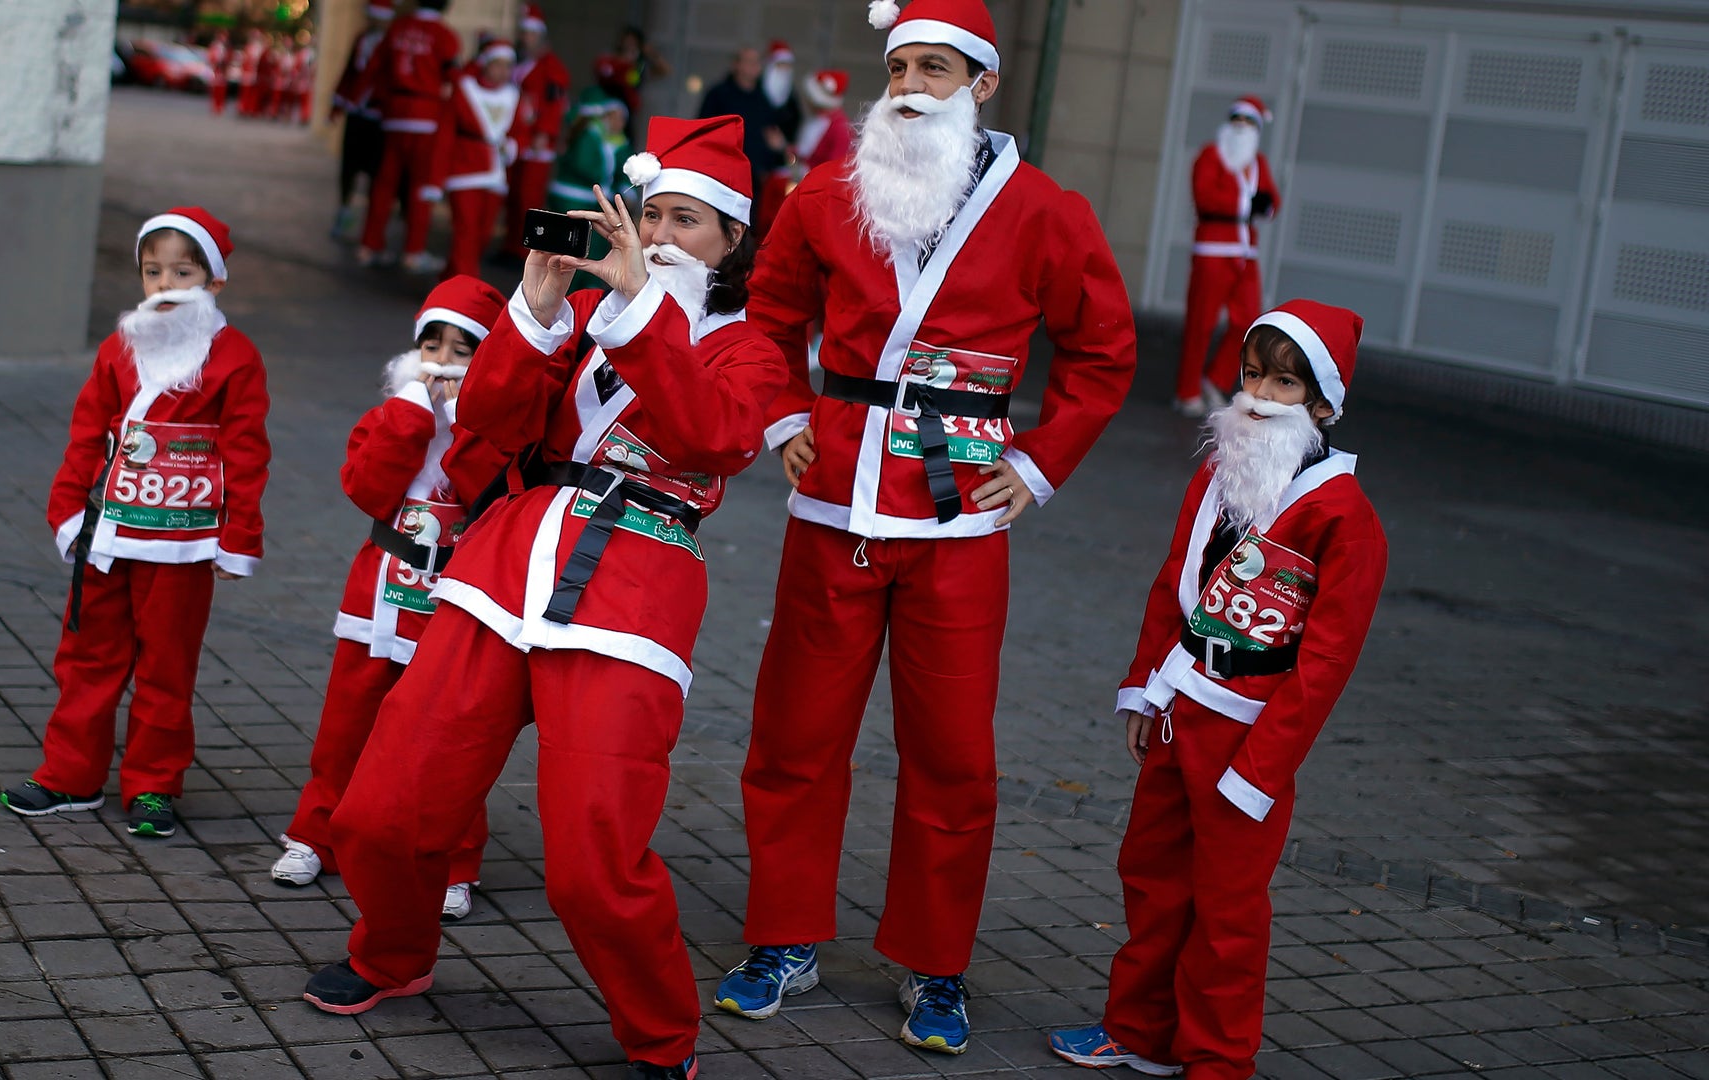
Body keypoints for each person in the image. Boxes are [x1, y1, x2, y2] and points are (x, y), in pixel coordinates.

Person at [300, 115, 787, 1080]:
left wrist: (641, 304)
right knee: (382, 813)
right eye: (649, 216)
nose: (658, 237)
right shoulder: (580, 331)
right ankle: (390, 957)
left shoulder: (750, 350)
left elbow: (711, 436)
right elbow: (484, 421)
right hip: (499, 570)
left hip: (634, 595)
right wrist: (536, 303)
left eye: (687, 222)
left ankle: (660, 1035)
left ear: (732, 240)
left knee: (591, 864)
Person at [716, 0, 1137, 1056]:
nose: (908, 86)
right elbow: (768, 318)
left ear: (982, 86)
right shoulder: (827, 191)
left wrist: (1038, 464)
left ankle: (936, 963)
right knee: (796, 739)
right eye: (898, 64)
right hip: (836, 503)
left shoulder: (1046, 211)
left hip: (957, 527)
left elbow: (1104, 350)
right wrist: (778, 415)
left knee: (953, 758)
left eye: (936, 68)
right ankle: (783, 939)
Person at [1048, 299, 1387, 1080]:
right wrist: (1147, 690)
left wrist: (1263, 767)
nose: (1260, 397)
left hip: (1250, 733)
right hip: (1179, 712)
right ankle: (1139, 1032)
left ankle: (1217, 1061)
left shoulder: (1345, 517)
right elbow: (1177, 580)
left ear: (1325, 403)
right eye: (1252, 375)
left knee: (1227, 910)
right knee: (1152, 879)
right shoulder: (1222, 471)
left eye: (1284, 384)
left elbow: (1326, 661)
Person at [0, 208, 271, 841]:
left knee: (167, 668)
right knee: (88, 657)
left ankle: (153, 783)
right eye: (154, 272)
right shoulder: (120, 346)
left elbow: (248, 454)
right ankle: (70, 774)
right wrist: (66, 508)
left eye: (183, 271)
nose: (166, 285)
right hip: (109, 536)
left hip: (182, 545)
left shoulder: (236, 357)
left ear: (214, 281)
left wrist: (239, 539)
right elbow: (88, 432)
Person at [271, 277, 507, 919]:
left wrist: (464, 423)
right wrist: (411, 417)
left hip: (453, 608)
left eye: (462, 350)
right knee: (346, 727)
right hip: (378, 598)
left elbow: (488, 491)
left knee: (452, 737)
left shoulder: (494, 435)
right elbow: (368, 490)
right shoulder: (389, 416)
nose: (442, 362)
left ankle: (454, 862)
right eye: (433, 344)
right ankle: (317, 836)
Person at [1175, 96, 1281, 417]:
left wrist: (1265, 205)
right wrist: (1248, 203)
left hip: (1245, 252)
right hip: (1213, 250)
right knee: (1201, 322)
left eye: (1249, 122)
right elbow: (1206, 196)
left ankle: (1215, 378)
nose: (1241, 126)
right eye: (1237, 119)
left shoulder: (1258, 163)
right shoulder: (1210, 155)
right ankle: (1187, 390)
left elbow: (1272, 199)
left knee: (1249, 321)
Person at [349, 0, 462, 272]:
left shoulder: (398, 28)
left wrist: (357, 100)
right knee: (421, 187)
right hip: (426, 116)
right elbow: (453, 77)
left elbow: (375, 68)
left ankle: (368, 245)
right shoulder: (445, 35)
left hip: (394, 115)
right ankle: (413, 251)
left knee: (383, 184)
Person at [432, 38, 520, 281]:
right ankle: (466, 289)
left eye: (508, 65)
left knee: (482, 234)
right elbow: (445, 134)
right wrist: (436, 178)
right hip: (465, 170)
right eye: (498, 64)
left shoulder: (513, 95)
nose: (503, 71)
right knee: (466, 231)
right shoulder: (465, 89)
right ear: (486, 64)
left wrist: (512, 145)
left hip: (496, 172)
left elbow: (520, 131)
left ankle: (450, 278)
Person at [500, 3, 570, 260]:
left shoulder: (552, 67)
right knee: (512, 195)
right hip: (519, 140)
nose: (524, 39)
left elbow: (555, 104)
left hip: (537, 143)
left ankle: (523, 250)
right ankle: (510, 245)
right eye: (523, 34)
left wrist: (544, 132)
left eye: (529, 34)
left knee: (528, 198)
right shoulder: (520, 62)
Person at [547, 89, 632, 290]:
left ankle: (586, 289)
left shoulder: (615, 141)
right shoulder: (590, 134)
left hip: (594, 199)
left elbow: (621, 171)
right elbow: (586, 165)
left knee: (592, 246)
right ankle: (568, 289)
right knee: (574, 246)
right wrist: (605, 181)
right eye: (617, 117)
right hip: (574, 198)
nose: (621, 123)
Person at [755, 69, 852, 239]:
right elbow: (803, 155)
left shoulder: (839, 128)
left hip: (816, 194)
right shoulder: (818, 121)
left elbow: (833, 169)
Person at [330, 3, 393, 241]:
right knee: (349, 167)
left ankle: (371, 226)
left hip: (380, 118)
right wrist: (337, 104)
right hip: (357, 112)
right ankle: (344, 211)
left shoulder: (391, 42)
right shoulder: (361, 39)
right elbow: (350, 71)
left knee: (377, 174)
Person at [698, 46, 784, 195]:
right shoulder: (718, 94)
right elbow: (703, 128)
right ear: (736, 65)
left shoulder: (764, 99)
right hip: (721, 172)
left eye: (757, 62)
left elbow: (771, 134)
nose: (754, 66)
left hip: (753, 177)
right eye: (749, 61)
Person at [594, 24, 668, 142]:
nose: (630, 46)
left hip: (627, 116)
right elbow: (602, 70)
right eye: (627, 42)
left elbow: (664, 70)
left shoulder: (638, 67)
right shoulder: (610, 61)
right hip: (606, 110)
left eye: (634, 43)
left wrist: (651, 53)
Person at [206, 31, 231, 115]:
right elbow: (211, 57)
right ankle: (215, 105)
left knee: (222, 89)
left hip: (223, 71)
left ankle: (220, 105)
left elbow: (228, 59)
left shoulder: (227, 48)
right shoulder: (215, 47)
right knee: (215, 88)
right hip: (215, 70)